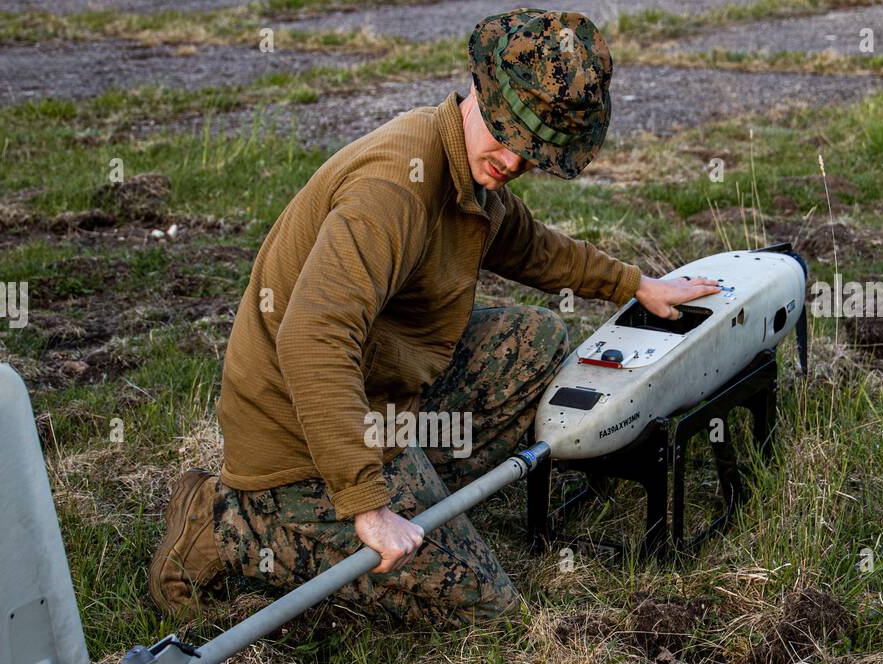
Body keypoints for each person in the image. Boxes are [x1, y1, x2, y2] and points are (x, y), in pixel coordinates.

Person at [149, 7, 719, 628]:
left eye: (536, 151)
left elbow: (527, 245)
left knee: (539, 343)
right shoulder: (394, 188)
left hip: (381, 393)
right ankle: (225, 526)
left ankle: (408, 475)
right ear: (480, 89)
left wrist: (635, 284)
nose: (514, 160)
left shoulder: (467, 168)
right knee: (488, 608)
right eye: (509, 132)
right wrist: (367, 506)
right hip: (296, 433)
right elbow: (313, 338)